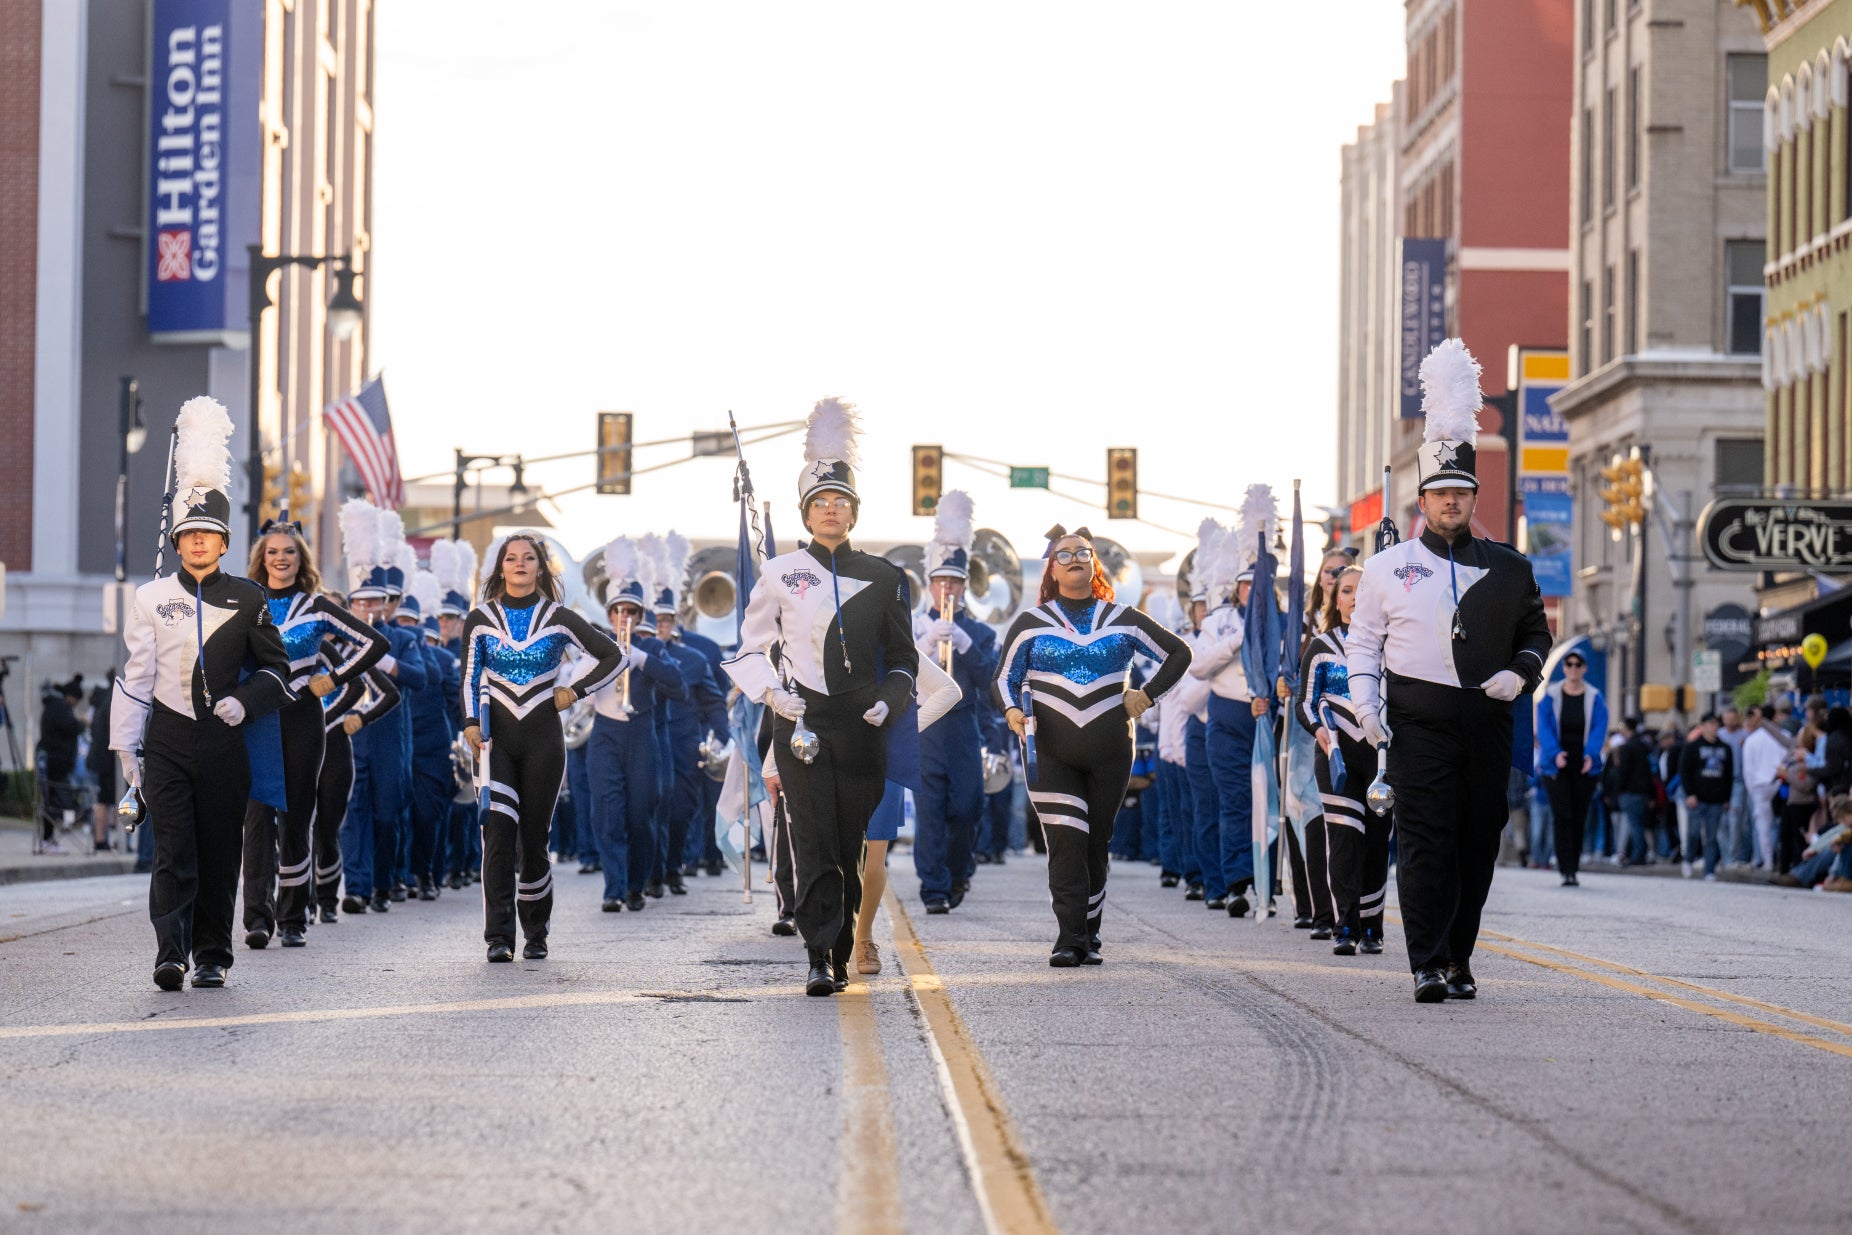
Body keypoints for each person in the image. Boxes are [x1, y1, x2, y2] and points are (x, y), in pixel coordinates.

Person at [1346, 339, 1551, 1004]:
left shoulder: (1511, 567)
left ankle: (1460, 955)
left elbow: (1536, 634)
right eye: (1440, 494)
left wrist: (1520, 675)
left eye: (1462, 493)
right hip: (1416, 720)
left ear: (1473, 496)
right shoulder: (1384, 567)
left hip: (1487, 719)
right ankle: (1426, 961)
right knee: (1427, 841)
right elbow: (1362, 642)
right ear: (1423, 500)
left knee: (1476, 843)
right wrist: (1366, 708)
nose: (1451, 503)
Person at [724, 398, 919, 996]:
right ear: (807, 512)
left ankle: (841, 951)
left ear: (853, 511)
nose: (830, 511)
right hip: (802, 721)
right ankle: (816, 954)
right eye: (820, 503)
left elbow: (906, 659)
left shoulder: (886, 577)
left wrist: (890, 700)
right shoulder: (780, 572)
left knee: (849, 844)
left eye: (840, 502)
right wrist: (773, 696)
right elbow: (747, 650)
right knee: (810, 839)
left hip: (863, 724)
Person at [110, 396, 292, 990]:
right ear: (177, 539)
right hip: (166, 738)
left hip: (223, 740)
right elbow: (136, 676)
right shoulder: (148, 597)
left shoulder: (249, 597)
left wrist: (247, 700)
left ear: (222, 542)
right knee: (173, 851)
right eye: (188, 534)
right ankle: (171, 951)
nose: (196, 543)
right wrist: (125, 751)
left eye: (207, 535)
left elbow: (278, 671)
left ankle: (214, 953)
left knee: (219, 853)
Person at [995, 524, 1193, 967]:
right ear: (1051, 568)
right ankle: (1069, 937)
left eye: (1083, 552)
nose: (1075, 559)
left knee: (1095, 843)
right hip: (1049, 751)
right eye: (1064, 555)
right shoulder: (1031, 623)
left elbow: (1179, 653)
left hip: (1111, 752)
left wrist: (1146, 696)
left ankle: (1090, 932)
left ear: (1095, 562)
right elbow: (1004, 680)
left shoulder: (1122, 618)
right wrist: (1012, 713)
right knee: (1066, 840)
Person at [460, 533, 628, 961]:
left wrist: (574, 692)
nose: (519, 564)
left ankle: (536, 932)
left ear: (539, 567)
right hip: (496, 741)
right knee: (497, 834)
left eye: (528, 558)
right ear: (500, 567)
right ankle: (498, 936)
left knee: (533, 840)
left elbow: (614, 656)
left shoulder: (560, 617)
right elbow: (468, 675)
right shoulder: (479, 618)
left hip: (543, 742)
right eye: (511, 558)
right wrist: (471, 724)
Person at [239, 517, 387, 948]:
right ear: (261, 558)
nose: (281, 559)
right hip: (255, 719)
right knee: (256, 819)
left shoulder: (318, 607)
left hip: (303, 718)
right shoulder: (246, 600)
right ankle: (257, 918)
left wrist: (335, 677)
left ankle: (292, 918)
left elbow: (374, 644)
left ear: (300, 558)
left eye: (289, 552)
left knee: (296, 819)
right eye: (272, 552)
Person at [581, 539, 686, 913]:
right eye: (618, 610)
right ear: (609, 615)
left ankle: (636, 886)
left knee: (640, 816)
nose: (624, 616)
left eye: (631, 611)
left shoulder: (653, 650)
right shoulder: (596, 645)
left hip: (642, 735)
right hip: (606, 734)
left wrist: (638, 658)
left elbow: (678, 686)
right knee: (607, 813)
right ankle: (613, 887)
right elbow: (577, 688)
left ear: (639, 614)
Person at [335, 502, 428, 914]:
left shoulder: (403, 639)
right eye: (361, 603)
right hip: (352, 734)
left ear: (387, 604)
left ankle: (383, 881)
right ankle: (356, 886)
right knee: (354, 811)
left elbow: (419, 677)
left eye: (376, 602)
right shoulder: (341, 638)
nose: (369, 610)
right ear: (352, 606)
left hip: (391, 733)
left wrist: (383, 658)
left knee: (387, 812)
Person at [911, 491, 1000, 915]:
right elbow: (899, 677)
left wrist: (964, 645)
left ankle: (959, 872)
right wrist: (925, 643)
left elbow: (991, 681)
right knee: (929, 811)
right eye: (940, 580)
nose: (947, 588)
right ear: (929, 583)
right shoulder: (911, 627)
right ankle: (933, 888)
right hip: (925, 723)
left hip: (963, 726)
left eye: (955, 582)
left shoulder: (980, 633)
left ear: (965, 585)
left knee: (967, 806)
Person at [1296, 564, 1386, 954]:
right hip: (1337, 756)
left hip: (1381, 758)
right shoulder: (1321, 646)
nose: (1353, 598)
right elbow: (1305, 702)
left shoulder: (1390, 645)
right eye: (1346, 591)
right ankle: (1344, 926)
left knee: (1378, 842)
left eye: (1361, 590)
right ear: (1335, 599)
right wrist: (1320, 731)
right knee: (1345, 840)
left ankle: (1372, 928)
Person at [1186, 502, 1270, 917]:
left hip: (1267, 716)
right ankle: (1237, 882)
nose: (1252, 592)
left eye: (1260, 584)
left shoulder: (1283, 621)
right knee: (1234, 800)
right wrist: (1235, 641)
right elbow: (1199, 667)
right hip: (1227, 716)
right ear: (1237, 589)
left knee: (1269, 801)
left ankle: (1267, 881)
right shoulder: (1218, 622)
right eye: (1246, 585)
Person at [314, 632, 400, 922]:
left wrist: (359, 718)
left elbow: (389, 693)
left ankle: (326, 899)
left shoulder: (349, 657)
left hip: (336, 748)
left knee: (328, 829)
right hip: (296, 746)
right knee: (296, 828)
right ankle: (300, 904)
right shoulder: (294, 651)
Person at [1535, 651, 1606, 886]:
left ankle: (1574, 867)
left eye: (1578, 664)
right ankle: (1565, 868)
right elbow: (1543, 728)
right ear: (1564, 668)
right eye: (1569, 664)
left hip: (1584, 764)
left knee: (1579, 816)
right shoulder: (1551, 697)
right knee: (1562, 816)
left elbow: (1599, 728)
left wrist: (1591, 755)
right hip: (1557, 763)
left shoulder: (1595, 697)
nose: (1574, 668)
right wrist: (1555, 753)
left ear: (1584, 668)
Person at [1679, 713, 1734, 880]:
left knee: (1711, 837)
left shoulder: (1725, 748)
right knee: (1693, 833)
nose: (1714, 727)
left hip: (1716, 799)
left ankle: (1709, 870)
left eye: (1716, 724)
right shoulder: (1692, 747)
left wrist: (1727, 798)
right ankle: (1688, 859)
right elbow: (1684, 772)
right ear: (1702, 726)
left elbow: (1728, 775)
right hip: (1697, 798)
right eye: (1710, 723)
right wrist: (1690, 794)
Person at [35, 678, 86, 853]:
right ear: (70, 697)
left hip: (53, 761)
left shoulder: (53, 706)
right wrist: (82, 724)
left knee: (54, 799)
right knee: (57, 800)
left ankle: (51, 835)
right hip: (56, 763)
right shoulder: (59, 707)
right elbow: (71, 726)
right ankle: (55, 830)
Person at [1741, 705, 1787, 870]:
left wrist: (1750, 788)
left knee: (1763, 825)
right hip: (1780, 782)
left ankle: (1767, 860)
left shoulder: (1752, 740)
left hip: (1760, 786)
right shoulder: (1783, 736)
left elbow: (1748, 768)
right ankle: (1779, 858)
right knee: (1779, 823)